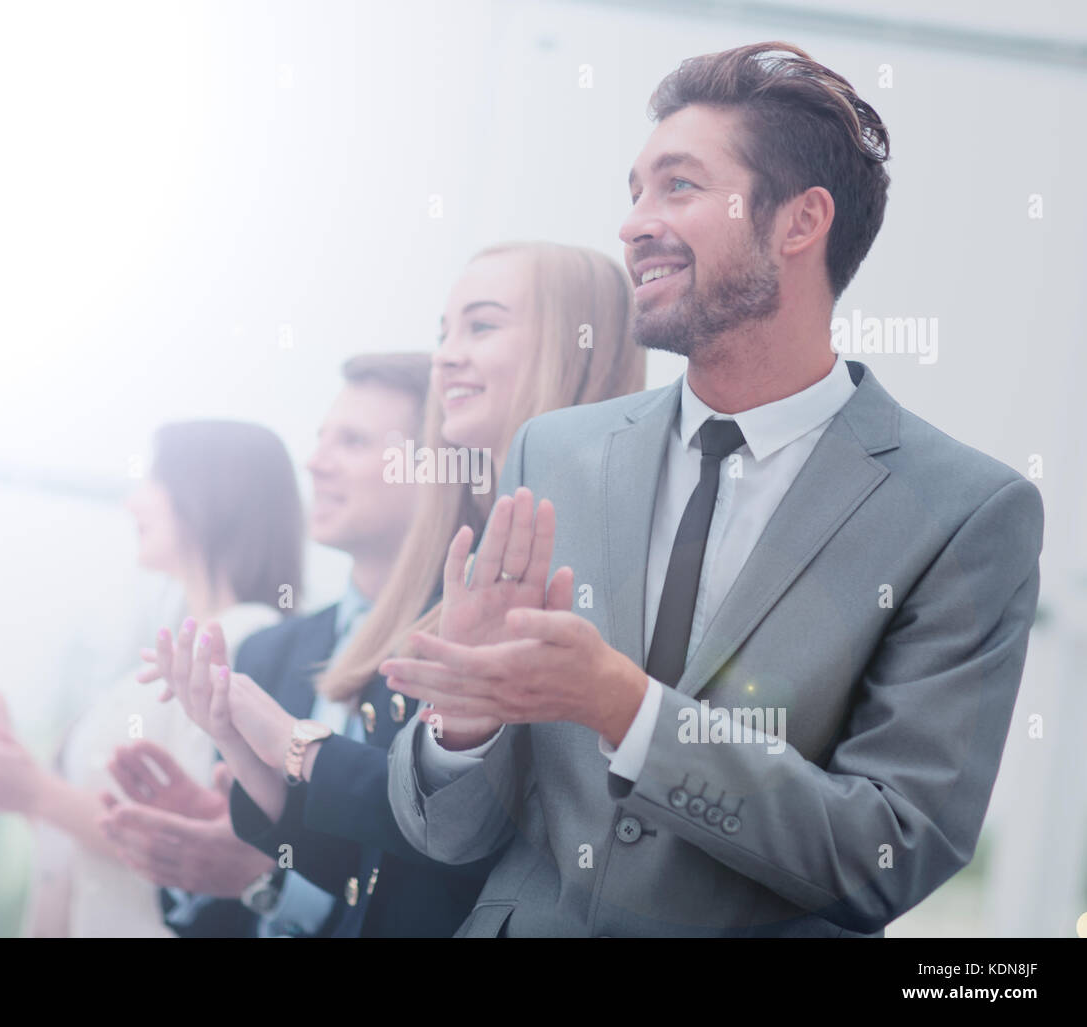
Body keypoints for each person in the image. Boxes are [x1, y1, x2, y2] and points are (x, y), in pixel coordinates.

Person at [382, 42, 1045, 937]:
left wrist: (625, 705)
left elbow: (890, 852)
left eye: (679, 187)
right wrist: (465, 724)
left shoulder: (966, 511)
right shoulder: (555, 451)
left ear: (800, 221)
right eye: (634, 191)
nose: (634, 224)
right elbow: (456, 836)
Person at [137, 241, 647, 936]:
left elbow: (476, 844)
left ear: (571, 345)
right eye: (443, 332)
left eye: (482, 326)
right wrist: (242, 744)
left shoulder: (612, 567)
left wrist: (292, 744)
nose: (447, 356)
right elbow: (385, 867)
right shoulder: (454, 590)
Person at [0, 419, 301, 936]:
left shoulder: (252, 637)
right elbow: (78, 840)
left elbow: (197, 843)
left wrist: (32, 788)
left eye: (153, 483)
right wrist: (12, 762)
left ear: (211, 494)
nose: (132, 504)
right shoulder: (172, 651)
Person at [100, 352, 430, 937]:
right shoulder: (269, 654)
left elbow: (426, 866)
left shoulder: (449, 656)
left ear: (433, 468)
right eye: (320, 439)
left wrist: (265, 874)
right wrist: (214, 845)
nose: (315, 463)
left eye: (352, 442)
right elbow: (231, 905)